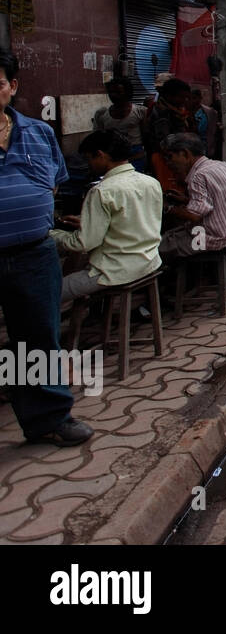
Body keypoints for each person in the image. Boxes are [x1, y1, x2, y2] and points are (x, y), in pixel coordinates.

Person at [0, 49, 93, 445]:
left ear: (11, 87)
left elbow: (53, 184)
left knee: (38, 335)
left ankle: (49, 419)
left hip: (34, 254)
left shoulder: (38, 133)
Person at [52, 130, 163, 302]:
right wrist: (89, 222)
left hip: (115, 271)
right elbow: (131, 220)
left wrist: (54, 236)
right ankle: (93, 317)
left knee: (47, 293)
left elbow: (84, 243)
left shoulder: (101, 191)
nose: (89, 165)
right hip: (149, 261)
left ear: (101, 155)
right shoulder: (151, 182)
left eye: (90, 159)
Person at [159, 133, 226, 261]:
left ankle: (179, 278)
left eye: (170, 157)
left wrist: (167, 208)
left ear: (184, 154)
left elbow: (193, 216)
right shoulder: (224, 166)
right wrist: (186, 199)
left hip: (215, 240)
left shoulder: (198, 176)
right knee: (172, 235)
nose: (168, 163)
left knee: (159, 249)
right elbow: (215, 201)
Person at [142, 78, 197, 199]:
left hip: (178, 156)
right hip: (166, 159)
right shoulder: (162, 114)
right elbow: (165, 142)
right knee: (171, 189)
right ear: (168, 96)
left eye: (187, 98)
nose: (185, 101)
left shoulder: (179, 112)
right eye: (181, 97)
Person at [92, 76, 148, 170]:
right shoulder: (102, 114)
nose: (113, 95)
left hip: (136, 157)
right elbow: (97, 138)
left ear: (127, 93)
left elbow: (146, 138)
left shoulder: (140, 112)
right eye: (111, 92)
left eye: (118, 92)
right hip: (112, 157)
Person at [190, 88, 220, 157]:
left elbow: (213, 131)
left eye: (195, 98)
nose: (193, 101)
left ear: (200, 98)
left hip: (207, 147)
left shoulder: (209, 112)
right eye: (191, 98)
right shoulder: (185, 112)